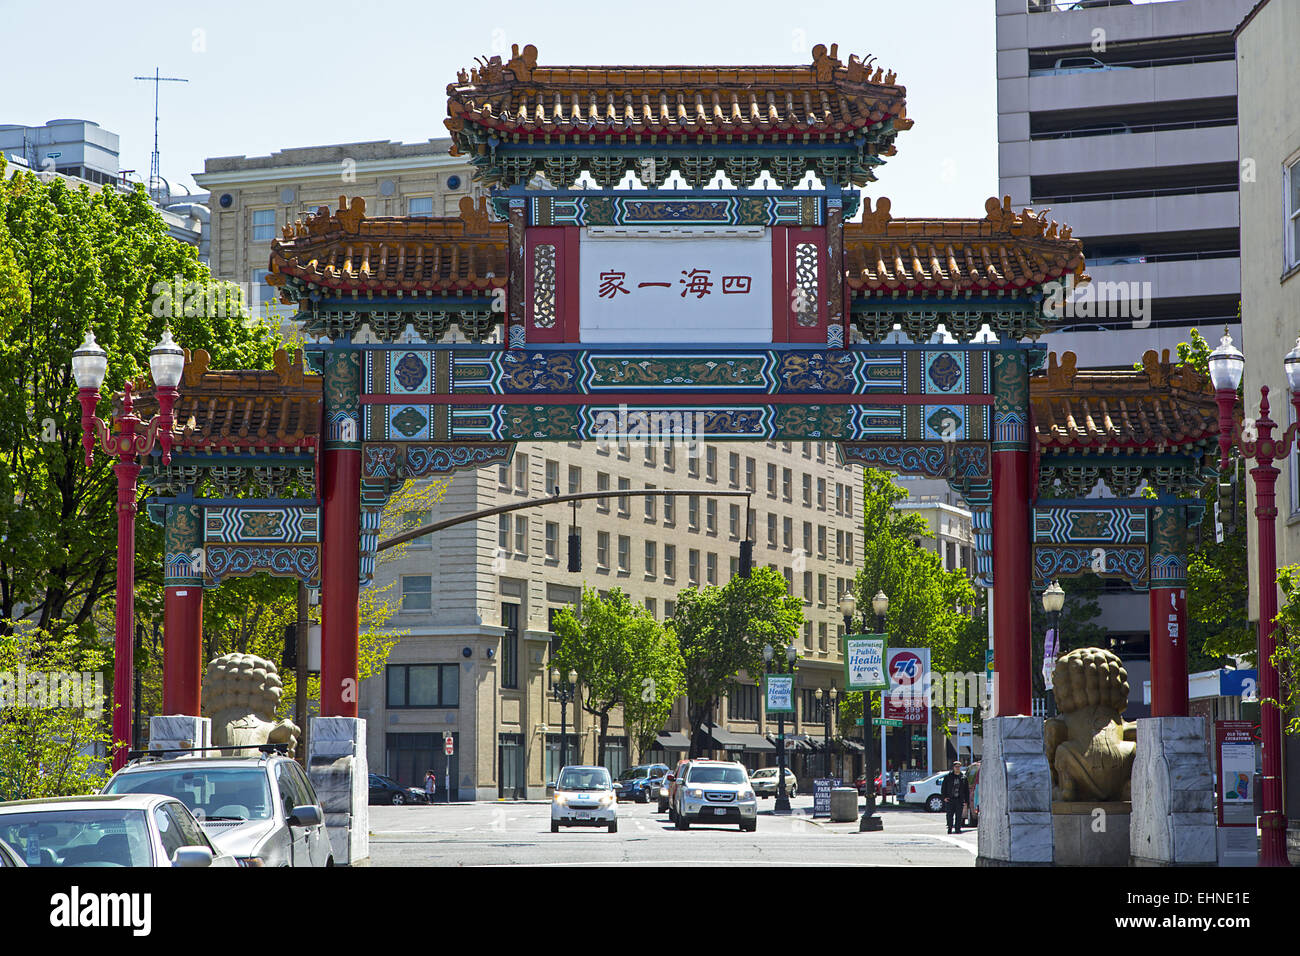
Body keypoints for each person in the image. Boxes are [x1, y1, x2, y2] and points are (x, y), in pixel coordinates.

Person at [940, 761, 969, 834]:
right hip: (950, 799)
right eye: (956, 767)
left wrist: (966, 801)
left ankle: (958, 829)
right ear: (953, 767)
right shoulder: (948, 777)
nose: (957, 768)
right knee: (949, 815)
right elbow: (943, 788)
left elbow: (966, 790)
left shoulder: (963, 777)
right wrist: (944, 797)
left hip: (959, 799)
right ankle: (949, 828)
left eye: (959, 767)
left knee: (959, 815)